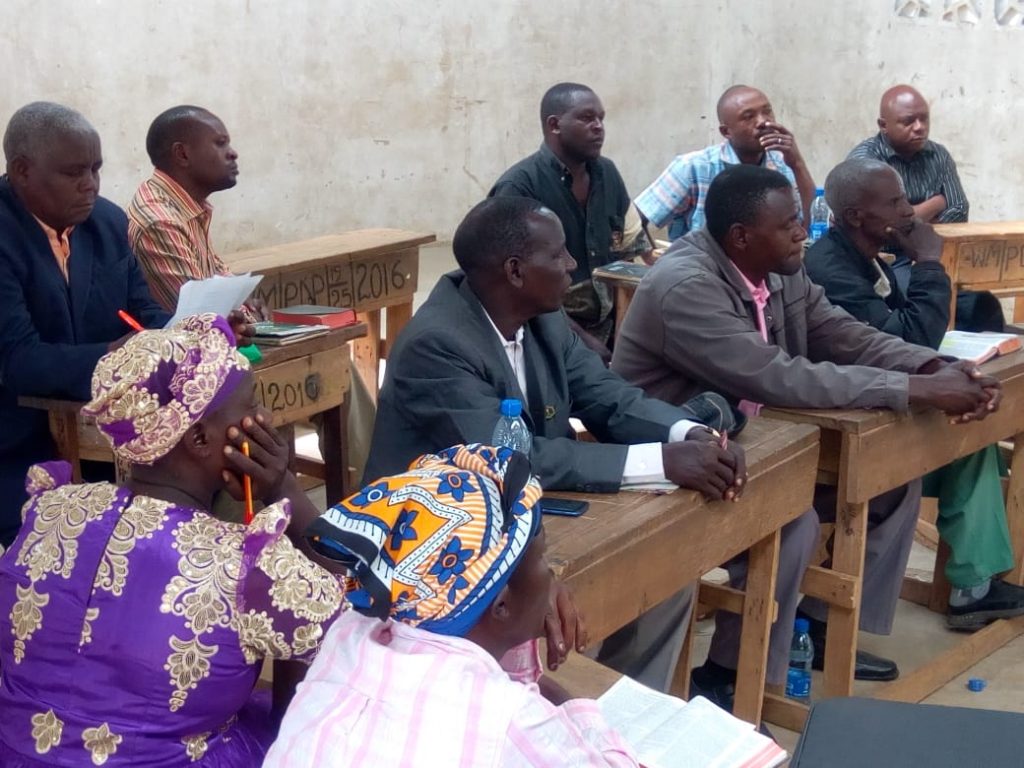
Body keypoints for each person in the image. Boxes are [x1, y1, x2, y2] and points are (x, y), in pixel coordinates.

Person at [612, 165, 1002, 689]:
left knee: (886, 483)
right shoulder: (686, 287)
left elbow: (842, 333)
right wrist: (911, 390)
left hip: (754, 446)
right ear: (741, 237)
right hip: (674, 463)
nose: (804, 231)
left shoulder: (779, 267)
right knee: (790, 526)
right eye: (790, 222)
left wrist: (927, 366)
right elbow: (777, 376)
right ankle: (731, 675)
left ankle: (817, 630)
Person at [364, 195, 752, 694]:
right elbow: (514, 462)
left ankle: (618, 716)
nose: (573, 264)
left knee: (668, 571)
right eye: (559, 255)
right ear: (516, 271)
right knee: (563, 605)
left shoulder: (542, 319)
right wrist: (664, 461)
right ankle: (562, 728)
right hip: (437, 544)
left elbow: (608, 396)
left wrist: (689, 433)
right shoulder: (437, 345)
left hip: (527, 511)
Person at [0, 314, 346, 766]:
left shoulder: (50, 509)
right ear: (200, 437)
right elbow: (355, 596)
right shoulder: (243, 566)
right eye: (251, 406)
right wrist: (285, 490)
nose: (264, 419)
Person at [266, 443, 640, 767]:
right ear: (501, 604)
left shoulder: (350, 632)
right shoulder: (509, 717)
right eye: (544, 561)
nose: (551, 578)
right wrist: (578, 713)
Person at [806, 158, 1024, 629]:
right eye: (895, 202)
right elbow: (907, 341)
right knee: (951, 446)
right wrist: (928, 262)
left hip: (883, 413)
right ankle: (830, 626)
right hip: (843, 432)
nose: (910, 211)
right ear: (856, 217)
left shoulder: (867, 257)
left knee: (972, 443)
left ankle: (974, 586)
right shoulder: (830, 270)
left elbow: (903, 338)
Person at [490, 82, 651, 353]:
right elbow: (512, 291)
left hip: (611, 330)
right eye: (587, 118)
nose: (599, 126)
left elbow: (629, 261)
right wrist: (582, 345)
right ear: (554, 125)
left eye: (601, 118)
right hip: (544, 337)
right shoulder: (518, 188)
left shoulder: (607, 173)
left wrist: (630, 338)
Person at [848, 85, 1002, 330]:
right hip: (889, 259)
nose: (919, 127)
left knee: (983, 305)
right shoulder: (866, 163)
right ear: (883, 125)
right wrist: (937, 202)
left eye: (924, 119)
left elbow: (959, 208)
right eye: (908, 121)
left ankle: (983, 364)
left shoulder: (938, 155)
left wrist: (914, 223)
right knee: (920, 300)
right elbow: (886, 227)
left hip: (938, 253)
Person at [634, 85, 816, 241]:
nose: (763, 122)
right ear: (726, 132)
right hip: (701, 273)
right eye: (748, 116)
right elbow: (635, 219)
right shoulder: (695, 166)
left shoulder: (781, 165)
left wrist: (797, 163)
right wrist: (650, 258)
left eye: (767, 111)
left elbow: (807, 229)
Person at [127, 105, 241, 311]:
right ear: (182, 154)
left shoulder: (189, 206)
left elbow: (224, 286)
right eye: (220, 144)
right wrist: (244, 312)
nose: (233, 154)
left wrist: (244, 308)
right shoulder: (160, 221)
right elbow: (204, 315)